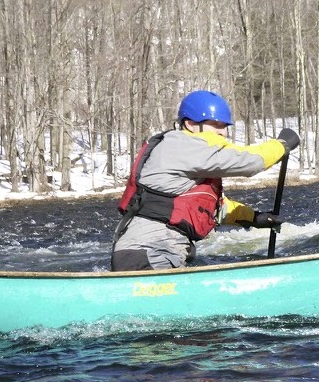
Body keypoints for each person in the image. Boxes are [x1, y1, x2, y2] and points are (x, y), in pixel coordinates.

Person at [111, 90, 300, 271]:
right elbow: (251, 161)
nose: (223, 132)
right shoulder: (182, 145)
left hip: (145, 251)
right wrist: (281, 145)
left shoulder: (185, 153)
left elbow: (212, 208)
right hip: (148, 252)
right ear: (190, 124)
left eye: (224, 126)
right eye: (216, 125)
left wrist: (254, 217)